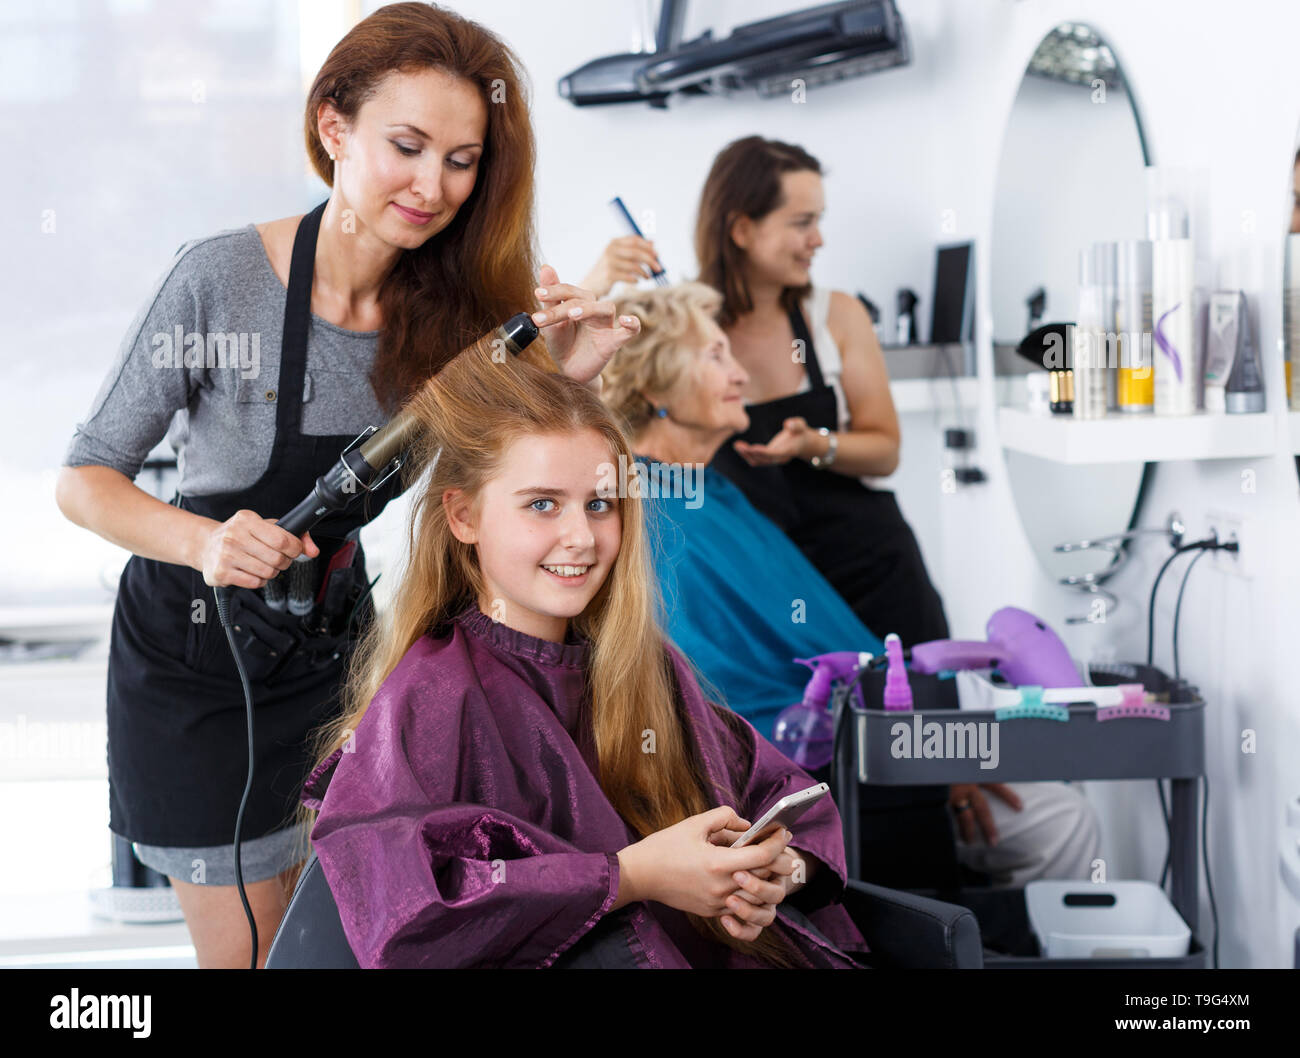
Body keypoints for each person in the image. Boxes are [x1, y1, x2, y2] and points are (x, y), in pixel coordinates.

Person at [54, 2, 638, 969]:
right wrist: (205, 542)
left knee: (351, 938)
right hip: (200, 661)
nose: (434, 185)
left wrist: (571, 376)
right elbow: (84, 479)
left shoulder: (463, 308)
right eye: (406, 146)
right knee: (249, 959)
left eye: (461, 159)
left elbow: (490, 484)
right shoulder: (219, 282)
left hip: (338, 652)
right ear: (335, 127)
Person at [296, 340, 870, 969]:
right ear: (462, 515)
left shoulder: (640, 666)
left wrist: (776, 871)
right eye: (542, 504)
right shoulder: (432, 698)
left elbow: (783, 793)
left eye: (600, 504)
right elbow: (413, 917)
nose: (581, 537)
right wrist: (629, 877)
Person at [601, 281, 1101, 892]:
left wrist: (933, 747)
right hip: (808, 771)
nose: (739, 374)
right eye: (714, 357)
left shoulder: (710, 492)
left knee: (1049, 814)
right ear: (655, 388)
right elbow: (721, 687)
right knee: (1063, 821)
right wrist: (928, 754)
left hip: (868, 742)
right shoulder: (659, 509)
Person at [694, 135, 948, 648]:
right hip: (762, 592)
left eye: (819, 220)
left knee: (908, 719)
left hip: (874, 577)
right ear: (742, 229)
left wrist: (818, 445)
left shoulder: (838, 316)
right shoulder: (688, 328)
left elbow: (885, 451)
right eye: (802, 222)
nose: (819, 240)